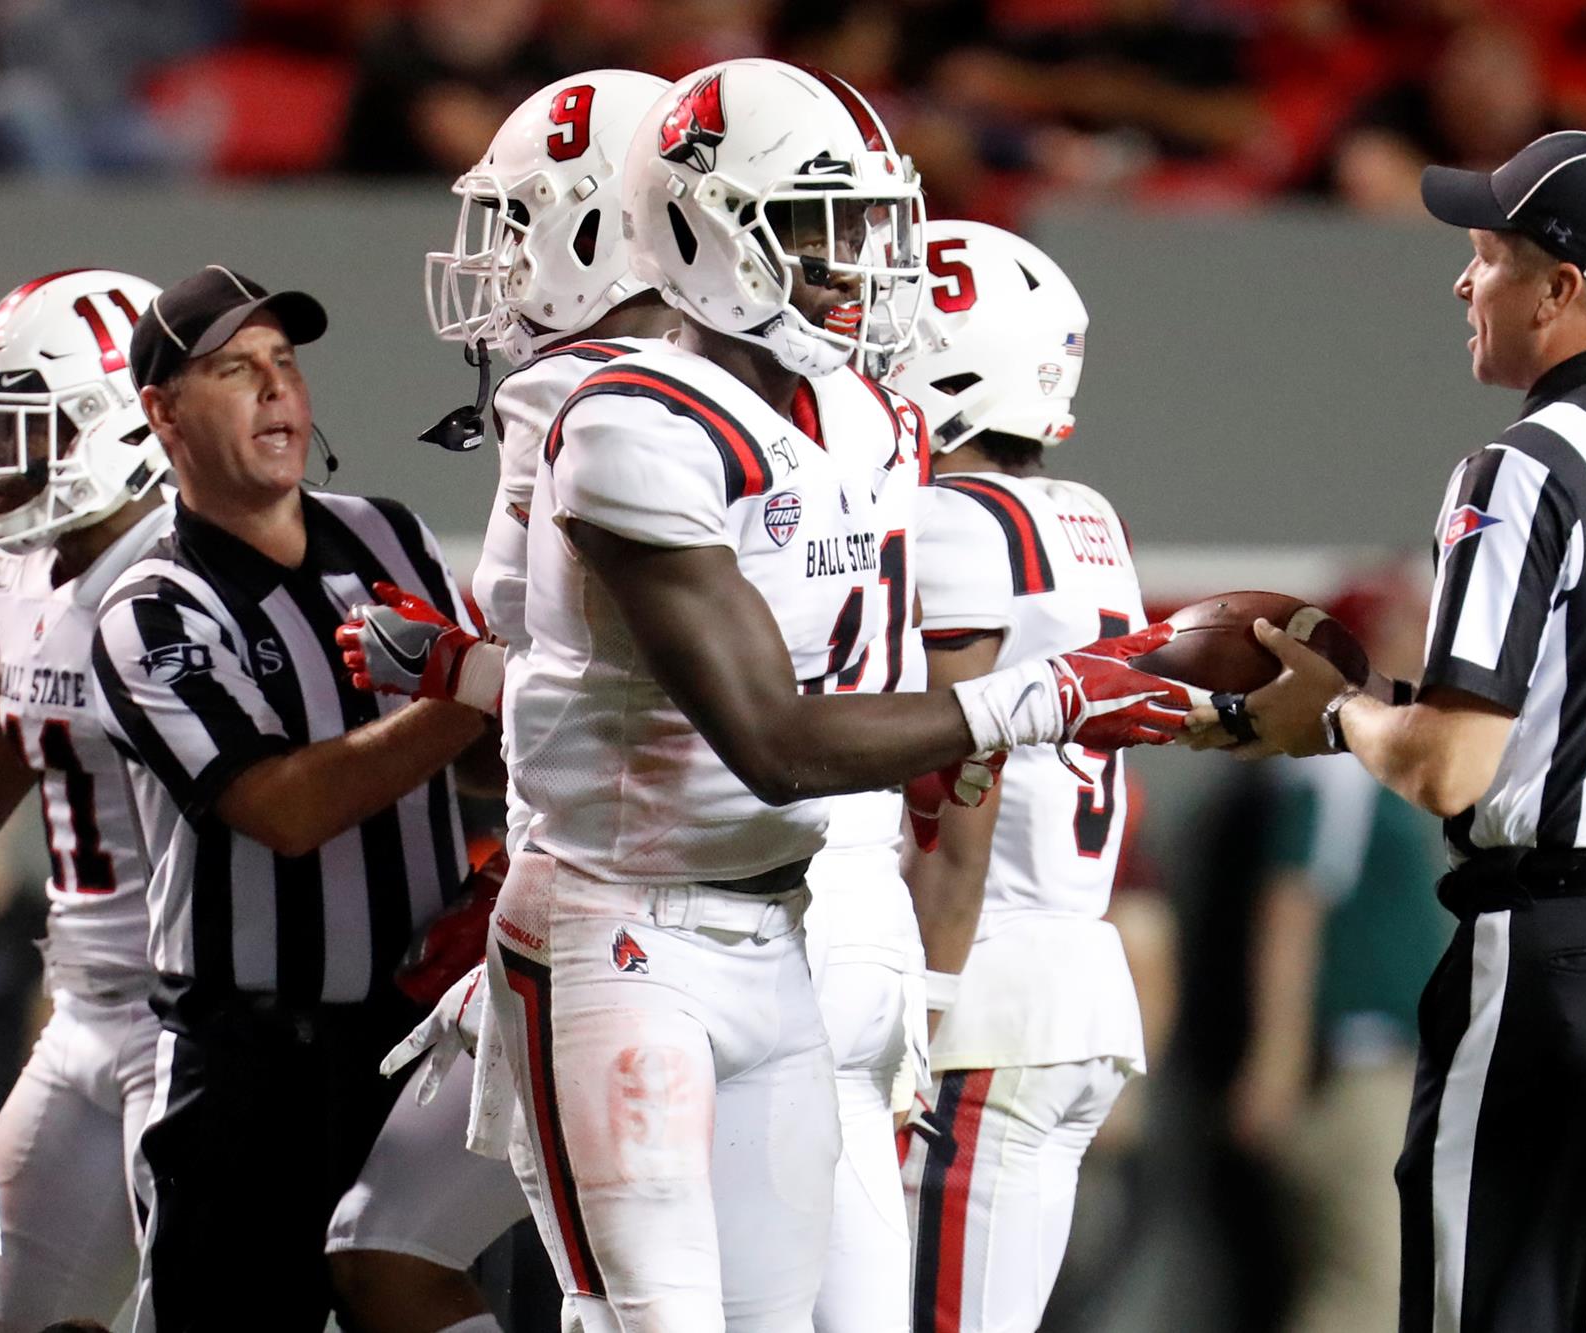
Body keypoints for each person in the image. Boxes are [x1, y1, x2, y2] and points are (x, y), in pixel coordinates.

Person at [407, 58, 1197, 1331]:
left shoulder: (860, 417)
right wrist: (1040, 697)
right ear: (690, 226)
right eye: (814, 225)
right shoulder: (629, 420)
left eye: (859, 225)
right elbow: (770, 736)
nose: (853, 262)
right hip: (630, 930)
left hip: (785, 924)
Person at [1190, 130, 1586, 1332]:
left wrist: (1339, 714)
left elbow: (1450, 763)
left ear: (1559, 288)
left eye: (1485, 257)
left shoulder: (1522, 463)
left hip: (1573, 947)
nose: (1463, 284)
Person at [323, 67, 675, 1333]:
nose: (502, 255)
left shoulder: (608, 407)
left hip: (647, 915)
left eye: (529, 215)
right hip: (614, 892)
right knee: (393, 1250)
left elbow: (666, 697)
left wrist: (452, 671)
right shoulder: (701, 396)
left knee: (636, 1297)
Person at [90, 265, 492, 1332]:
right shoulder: (154, 605)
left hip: (413, 1037)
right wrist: (476, 690)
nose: (275, 391)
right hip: (248, 1063)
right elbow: (282, 808)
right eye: (235, 370)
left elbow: (479, 750)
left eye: (284, 365)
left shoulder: (390, 536)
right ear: (163, 413)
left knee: (420, 1282)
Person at [885, 219, 1149, 1333]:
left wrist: (924, 1001)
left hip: (983, 989)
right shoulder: (1083, 516)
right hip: (1065, 975)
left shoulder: (948, 522)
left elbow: (960, 768)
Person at [0, 269, 164, 1327]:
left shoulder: (201, 571)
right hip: (86, 1006)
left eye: (27, 429)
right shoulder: (34, 571)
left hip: (204, 1018)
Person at [1226, 564, 1453, 1333]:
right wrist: (1278, 1060)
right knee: (1367, 1293)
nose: (1430, 646)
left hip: (1395, 1072)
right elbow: (1292, 907)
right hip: (1356, 1073)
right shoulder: (1336, 761)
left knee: (1405, 1293)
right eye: (1410, 627)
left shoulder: (1379, 756)